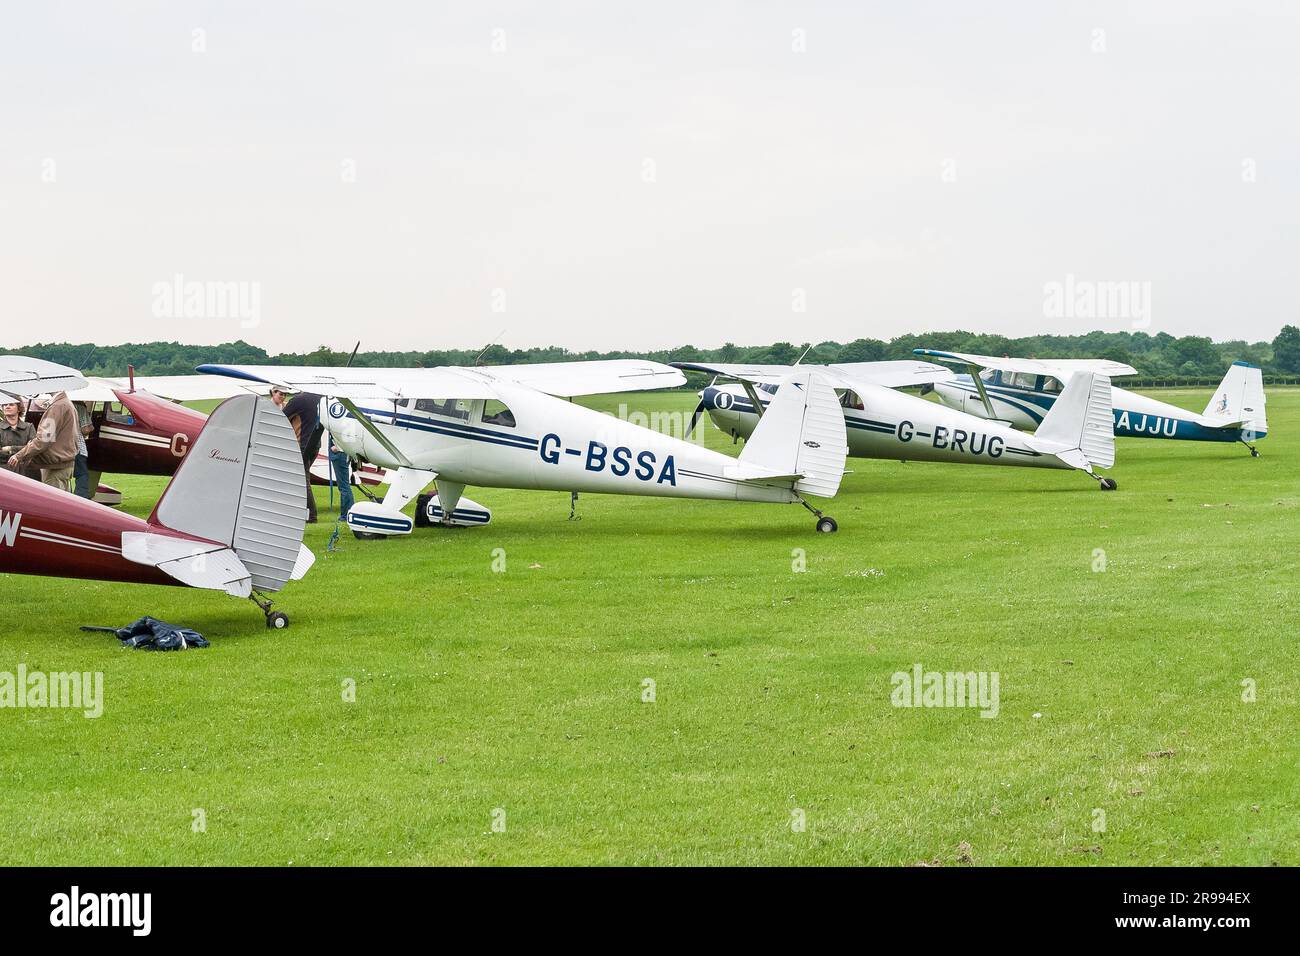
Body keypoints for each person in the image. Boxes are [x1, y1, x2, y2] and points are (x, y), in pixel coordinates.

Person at [8, 390, 79, 491]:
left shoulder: (57, 406)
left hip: (55, 468)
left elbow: (43, 440)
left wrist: (19, 455)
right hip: (63, 464)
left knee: (52, 504)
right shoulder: (66, 404)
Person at [281, 390, 324, 523]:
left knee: (302, 481)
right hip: (316, 445)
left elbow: (280, 418)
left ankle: (311, 516)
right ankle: (296, 511)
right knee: (298, 480)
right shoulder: (322, 398)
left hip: (301, 445)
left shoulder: (298, 400)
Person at [1, 400, 40, 481]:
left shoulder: (29, 427)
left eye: (11, 404)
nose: (7, 406)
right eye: (4, 405)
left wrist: (10, 449)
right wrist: (25, 448)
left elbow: (34, 449)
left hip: (27, 473)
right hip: (4, 473)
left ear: (19, 408)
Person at [72, 401, 94, 498]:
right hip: (77, 446)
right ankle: (80, 500)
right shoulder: (79, 406)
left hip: (61, 447)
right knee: (82, 475)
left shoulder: (57, 404)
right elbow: (85, 429)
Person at [329, 437, 354, 519]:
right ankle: (347, 513)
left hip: (339, 453)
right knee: (344, 485)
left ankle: (346, 514)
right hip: (340, 453)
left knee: (343, 486)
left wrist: (339, 446)